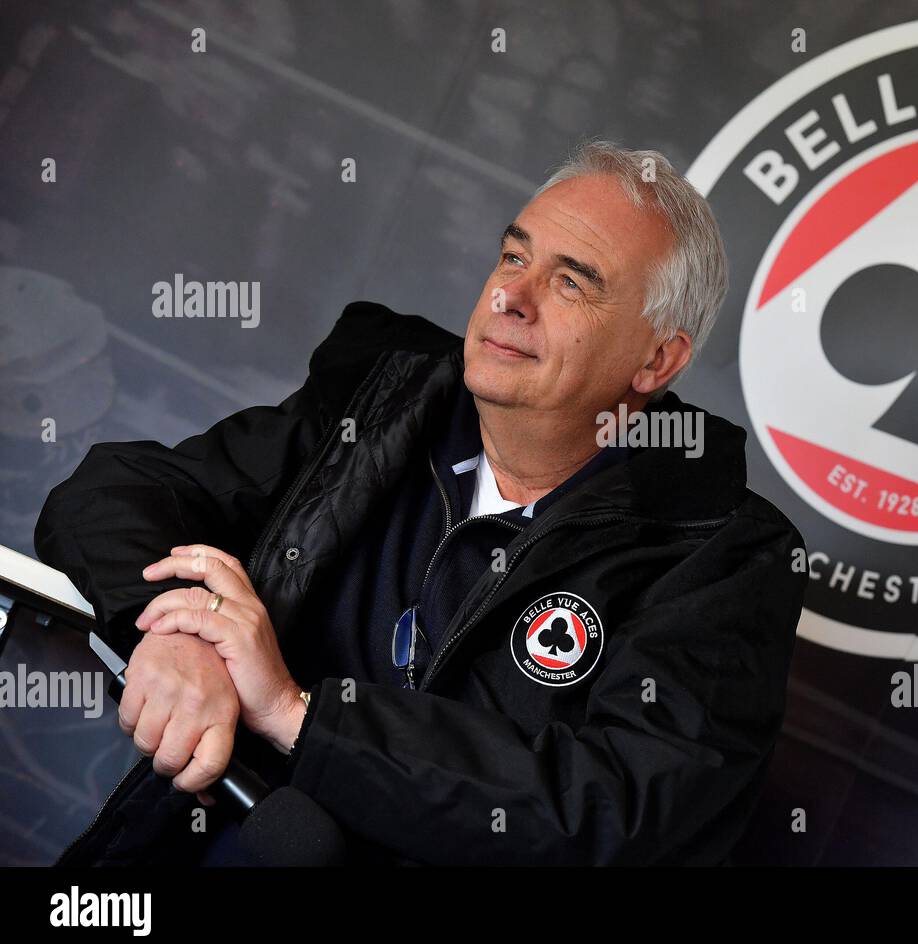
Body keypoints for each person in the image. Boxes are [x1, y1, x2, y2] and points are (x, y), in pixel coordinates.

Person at [35, 140, 808, 865]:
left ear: (656, 358)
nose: (512, 295)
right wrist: (177, 633)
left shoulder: (723, 554)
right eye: (513, 256)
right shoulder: (382, 402)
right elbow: (112, 494)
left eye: (570, 281)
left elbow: (616, 809)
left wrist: (302, 717)